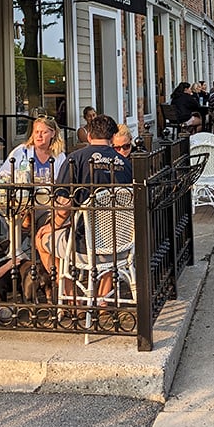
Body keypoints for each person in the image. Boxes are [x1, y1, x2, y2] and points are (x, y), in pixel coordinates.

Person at [37, 115, 132, 295]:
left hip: (83, 246)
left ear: (89, 136)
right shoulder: (125, 164)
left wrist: (52, 227)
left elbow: (63, 207)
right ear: (112, 137)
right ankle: (102, 299)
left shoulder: (75, 160)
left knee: (40, 240)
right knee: (108, 257)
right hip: (121, 245)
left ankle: (71, 298)